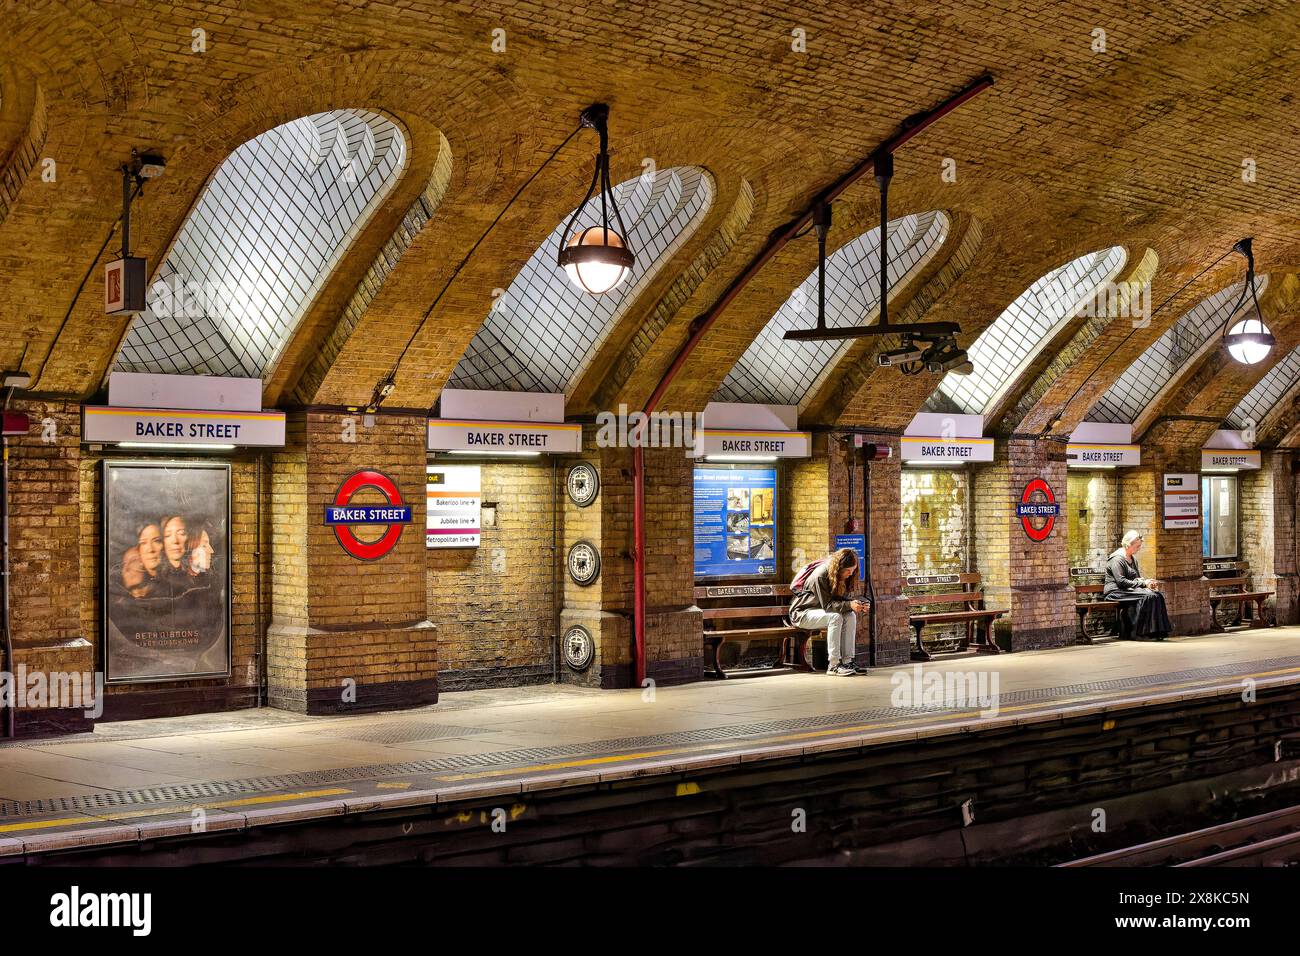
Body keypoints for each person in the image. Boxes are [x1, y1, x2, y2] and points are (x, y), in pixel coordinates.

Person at [789, 548, 870, 676]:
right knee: (835, 617)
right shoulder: (821, 574)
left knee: (850, 615)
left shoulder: (838, 576)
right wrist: (849, 604)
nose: (850, 573)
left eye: (853, 570)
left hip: (820, 611)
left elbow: (837, 601)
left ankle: (847, 662)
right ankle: (833, 665)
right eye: (848, 570)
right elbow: (828, 605)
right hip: (802, 613)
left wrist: (855, 604)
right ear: (839, 568)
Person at [1104, 530, 1172, 640]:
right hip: (1115, 591)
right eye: (1137, 546)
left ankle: (1157, 632)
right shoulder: (1117, 559)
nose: (1139, 548)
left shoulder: (1133, 559)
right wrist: (1142, 583)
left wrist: (1147, 583)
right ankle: (1141, 632)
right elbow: (1121, 582)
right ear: (1128, 544)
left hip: (1128, 590)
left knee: (1157, 595)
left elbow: (1136, 578)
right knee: (1148, 596)